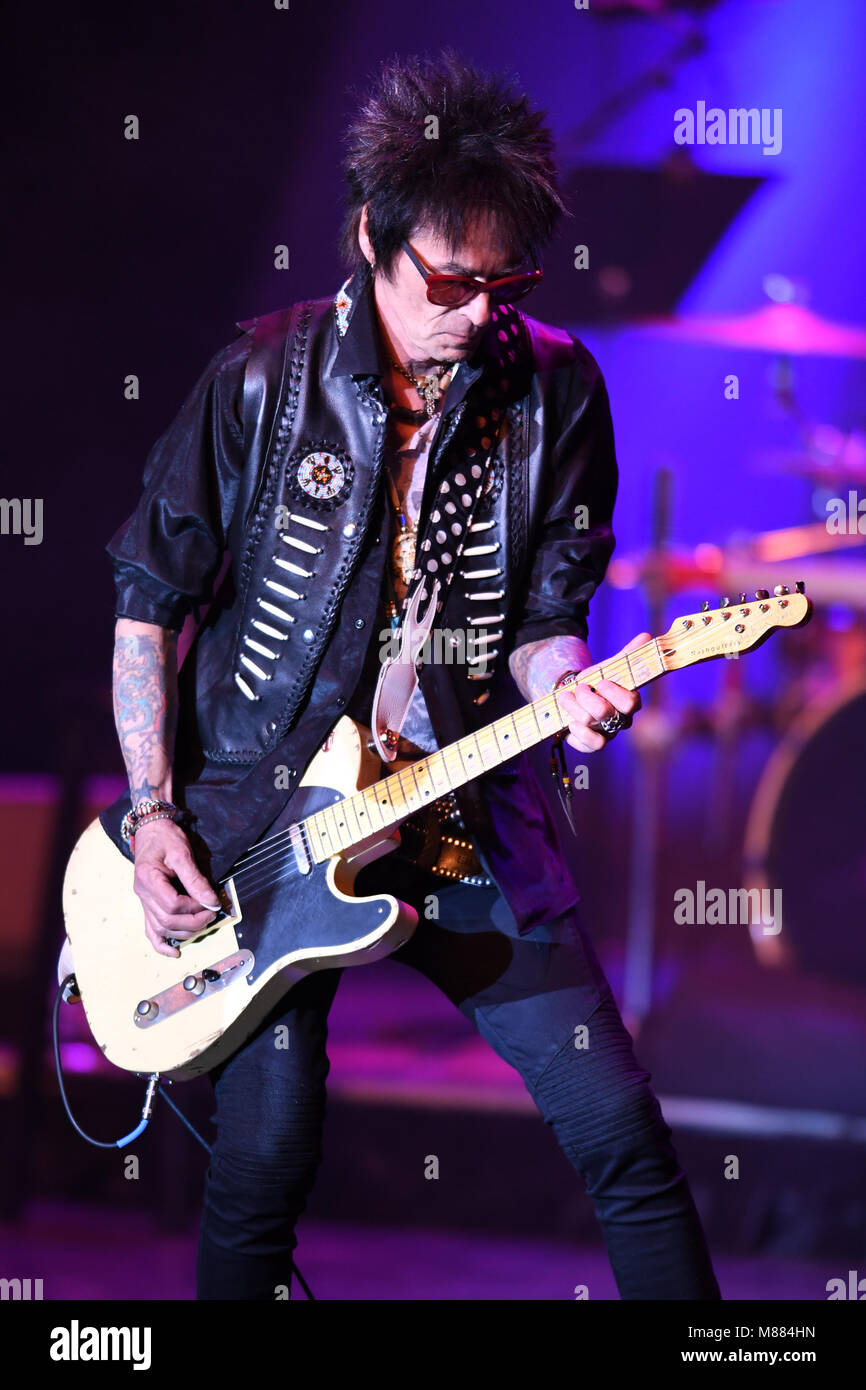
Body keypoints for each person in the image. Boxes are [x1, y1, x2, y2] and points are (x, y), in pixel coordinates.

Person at [100, 51, 721, 1300]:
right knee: (263, 1166)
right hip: (261, 829)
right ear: (372, 240)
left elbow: (548, 617)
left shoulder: (554, 392)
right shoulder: (262, 382)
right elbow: (146, 608)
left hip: (465, 815)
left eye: (509, 280)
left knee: (622, 1137)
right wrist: (157, 812)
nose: (479, 307)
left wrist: (576, 685)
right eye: (450, 277)